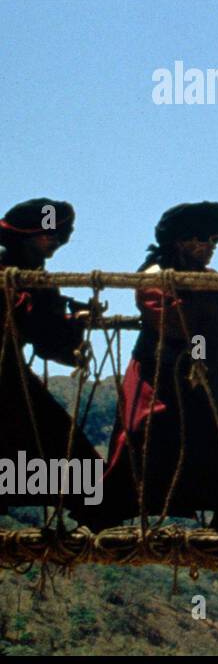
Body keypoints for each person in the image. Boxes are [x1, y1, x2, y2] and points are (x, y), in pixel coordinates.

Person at [97, 202, 218, 535]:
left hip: (195, 371)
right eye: (204, 242)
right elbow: (177, 324)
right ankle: (108, 517)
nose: (210, 250)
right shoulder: (153, 276)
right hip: (158, 373)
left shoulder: (206, 278)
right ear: (181, 241)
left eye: (215, 243)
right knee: (147, 438)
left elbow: (207, 333)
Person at [0, 198, 103, 524]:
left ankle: (90, 520)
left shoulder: (39, 281)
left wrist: (74, 326)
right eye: (50, 235)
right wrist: (70, 321)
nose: (57, 242)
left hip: (10, 373)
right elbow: (33, 322)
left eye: (61, 235)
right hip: (6, 377)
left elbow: (46, 335)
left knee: (67, 451)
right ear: (26, 235)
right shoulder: (7, 276)